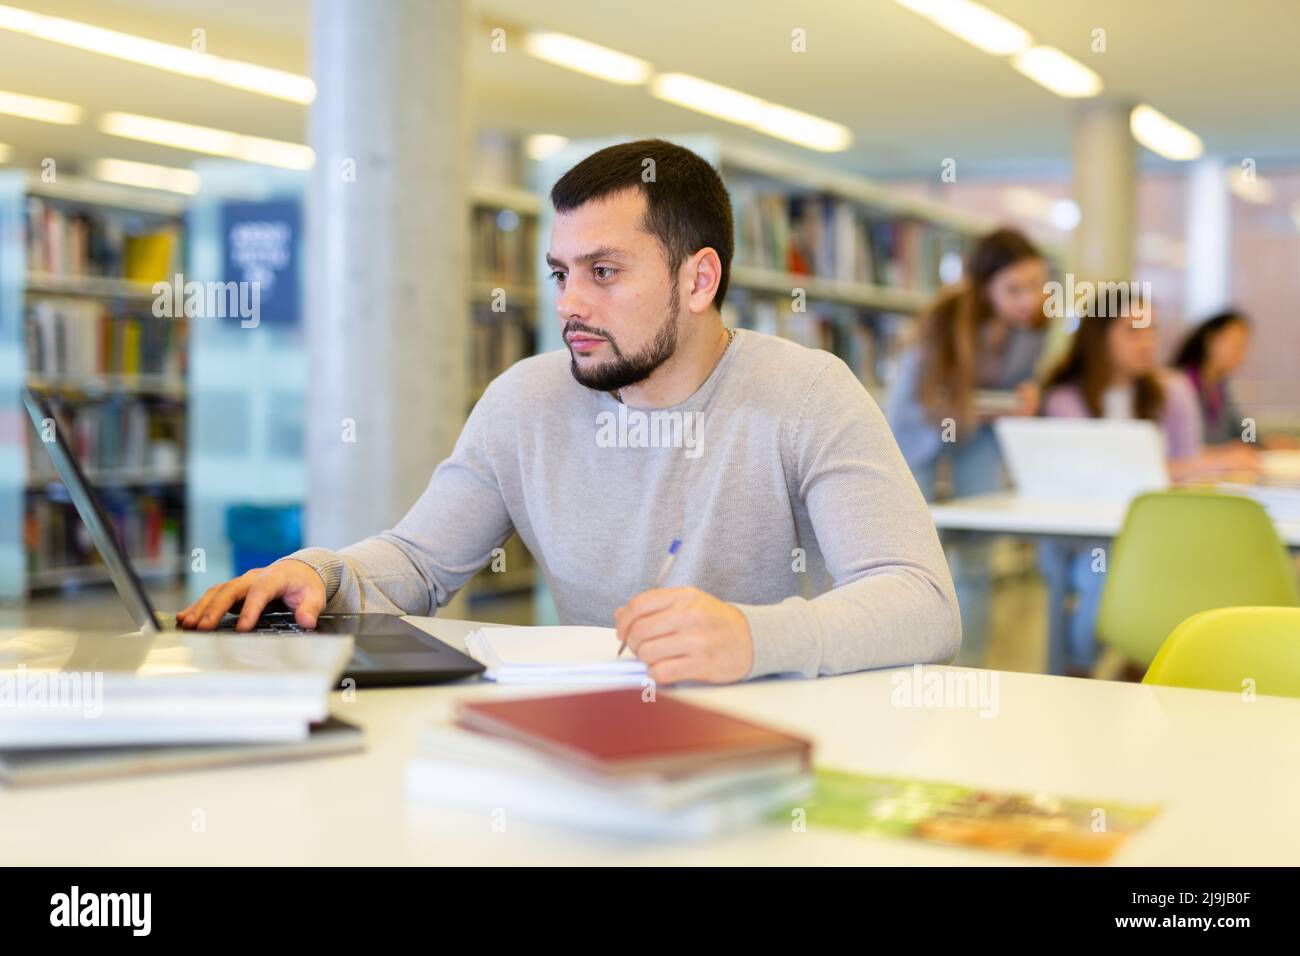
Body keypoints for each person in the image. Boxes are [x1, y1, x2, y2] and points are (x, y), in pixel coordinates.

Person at [180, 138, 960, 684]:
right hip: (596, 736)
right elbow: (418, 563)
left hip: (782, 739)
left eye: (605, 271)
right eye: (561, 273)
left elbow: (921, 602)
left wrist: (755, 636)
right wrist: (317, 574)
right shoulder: (526, 400)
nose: (570, 304)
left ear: (698, 280)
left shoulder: (809, 393)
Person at [885, 228, 1049, 666]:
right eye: (1014, 289)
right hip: (918, 437)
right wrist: (985, 407)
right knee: (912, 559)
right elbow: (925, 404)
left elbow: (1018, 386)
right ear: (984, 287)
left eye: (1035, 285)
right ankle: (904, 664)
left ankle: (967, 669)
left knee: (978, 558)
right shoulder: (944, 320)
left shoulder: (1033, 327)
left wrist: (1027, 395)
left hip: (978, 439)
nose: (1028, 299)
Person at [1037, 292, 1219, 674]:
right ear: (1099, 336)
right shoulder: (1064, 397)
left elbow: (1190, 465)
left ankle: (1140, 666)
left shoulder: (1173, 391)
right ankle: (1082, 670)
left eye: (1152, 329)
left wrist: (1192, 466)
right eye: (1133, 331)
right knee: (1100, 571)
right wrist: (1198, 464)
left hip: (1160, 528)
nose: (1148, 341)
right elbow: (1095, 471)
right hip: (1089, 532)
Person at [1171, 310, 1260, 470]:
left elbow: (1243, 430)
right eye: (1236, 345)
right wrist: (1224, 454)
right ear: (1210, 340)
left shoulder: (1220, 387)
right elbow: (1180, 450)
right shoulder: (1179, 385)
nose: (1241, 355)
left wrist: (1266, 443)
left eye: (1244, 347)